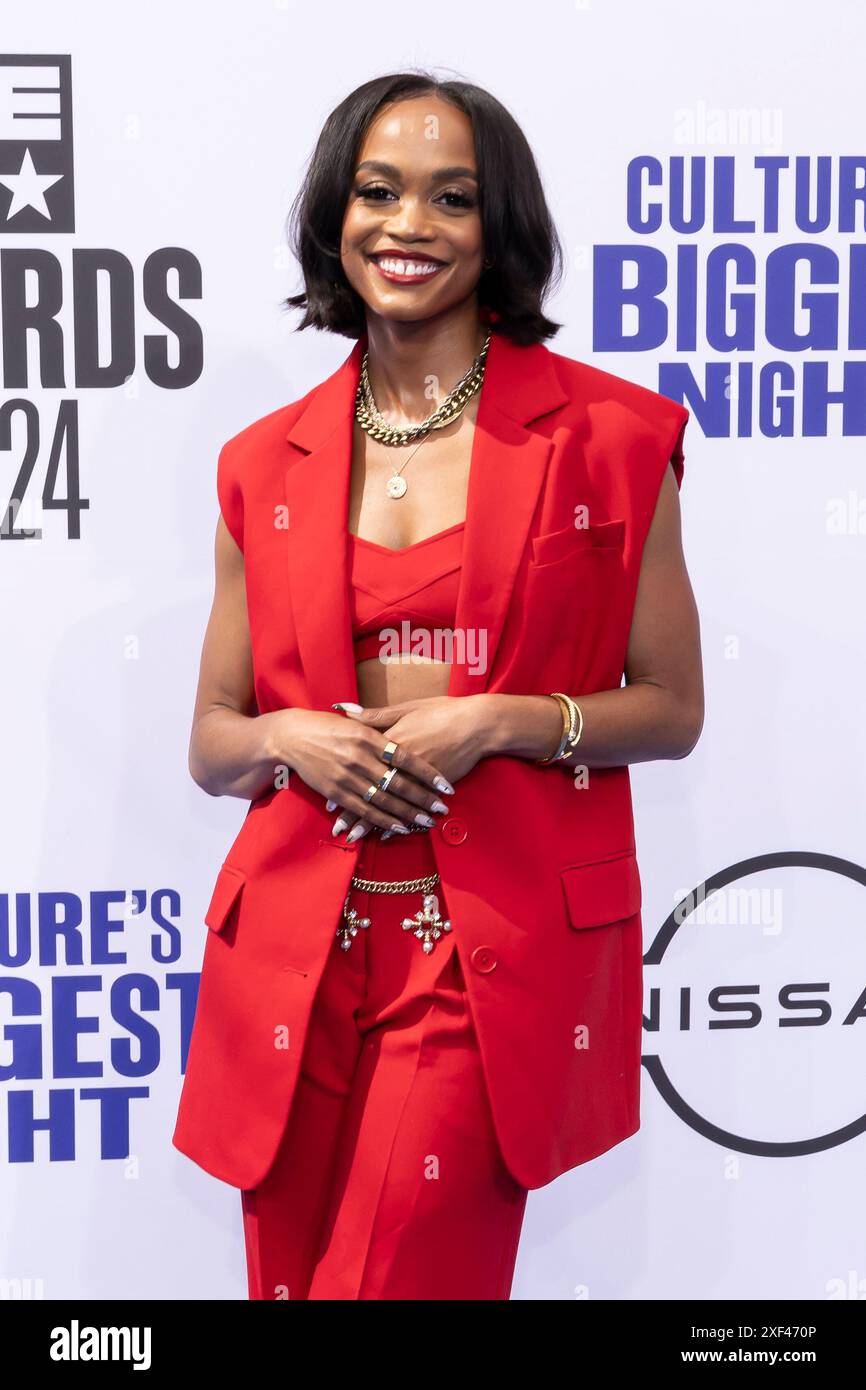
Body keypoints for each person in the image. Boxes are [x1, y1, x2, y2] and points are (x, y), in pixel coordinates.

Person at [172, 71, 704, 1301]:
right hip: (295, 954)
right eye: (377, 190)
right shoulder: (262, 461)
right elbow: (211, 739)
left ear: (498, 224)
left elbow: (669, 707)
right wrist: (294, 737)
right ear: (333, 214)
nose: (406, 224)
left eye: (449, 197)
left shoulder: (614, 439)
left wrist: (497, 721)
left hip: (485, 955)